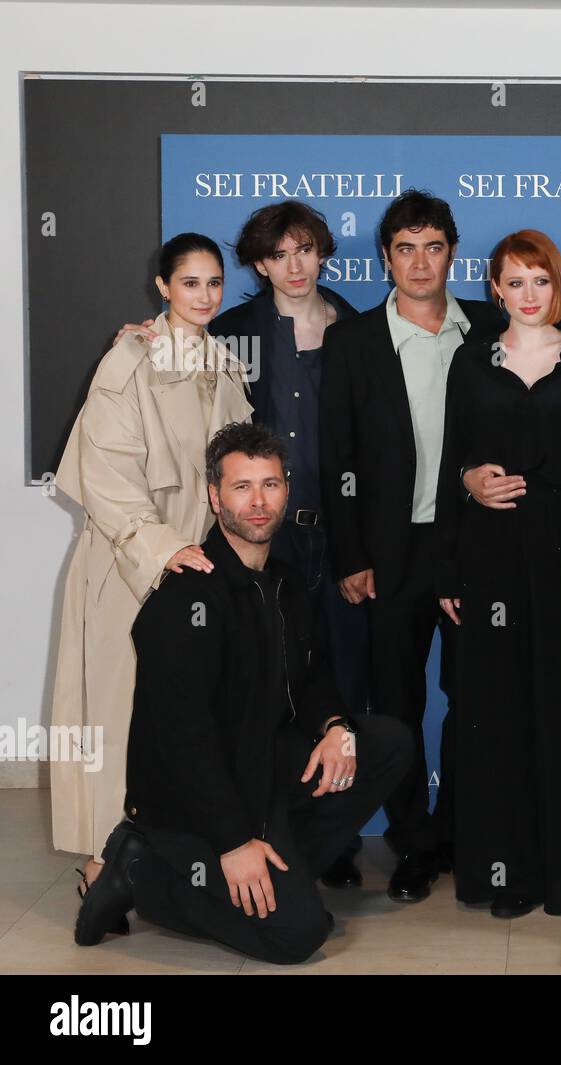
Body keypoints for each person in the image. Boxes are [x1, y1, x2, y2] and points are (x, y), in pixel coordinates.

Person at [72, 423, 412, 962]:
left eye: (270, 485)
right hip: (192, 801)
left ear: (286, 489)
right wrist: (232, 842)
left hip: (263, 768)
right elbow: (185, 742)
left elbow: (313, 677)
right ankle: (142, 873)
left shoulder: (284, 579)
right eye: (241, 486)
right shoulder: (187, 598)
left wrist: (334, 729)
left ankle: (282, 873)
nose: (258, 502)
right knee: (299, 936)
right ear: (214, 496)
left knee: (385, 742)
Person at [117, 203, 368, 889]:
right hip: (264, 534)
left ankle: (330, 840)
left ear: (322, 255)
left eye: (307, 250)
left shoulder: (353, 325)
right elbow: (177, 351)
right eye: (279, 253)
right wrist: (146, 336)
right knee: (259, 678)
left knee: (334, 676)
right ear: (259, 263)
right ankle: (249, 825)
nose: (294, 265)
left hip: (337, 535)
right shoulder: (229, 333)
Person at [50, 233, 252, 918]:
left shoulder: (225, 364)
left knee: (181, 716)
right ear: (162, 287)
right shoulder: (125, 361)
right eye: (190, 283)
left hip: (195, 572)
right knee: (114, 711)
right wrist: (158, 545)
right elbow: (103, 474)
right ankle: (99, 862)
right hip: (127, 564)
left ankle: (162, 854)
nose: (204, 295)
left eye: (214, 283)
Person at [318, 190, 503, 902]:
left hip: (474, 549)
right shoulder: (354, 341)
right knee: (394, 704)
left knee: (472, 696)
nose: (420, 261)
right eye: (405, 247)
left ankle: (463, 828)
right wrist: (351, 556)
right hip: (388, 553)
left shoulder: (489, 327)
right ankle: (414, 839)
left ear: (452, 253)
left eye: (433, 246)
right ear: (386, 257)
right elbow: (337, 459)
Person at [433, 229, 561, 918]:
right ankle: (505, 873)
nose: (529, 295)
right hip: (490, 553)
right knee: (499, 711)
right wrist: (464, 494)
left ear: (558, 284)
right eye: (515, 282)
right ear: (496, 289)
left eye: (541, 281)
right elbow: (453, 456)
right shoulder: (470, 362)